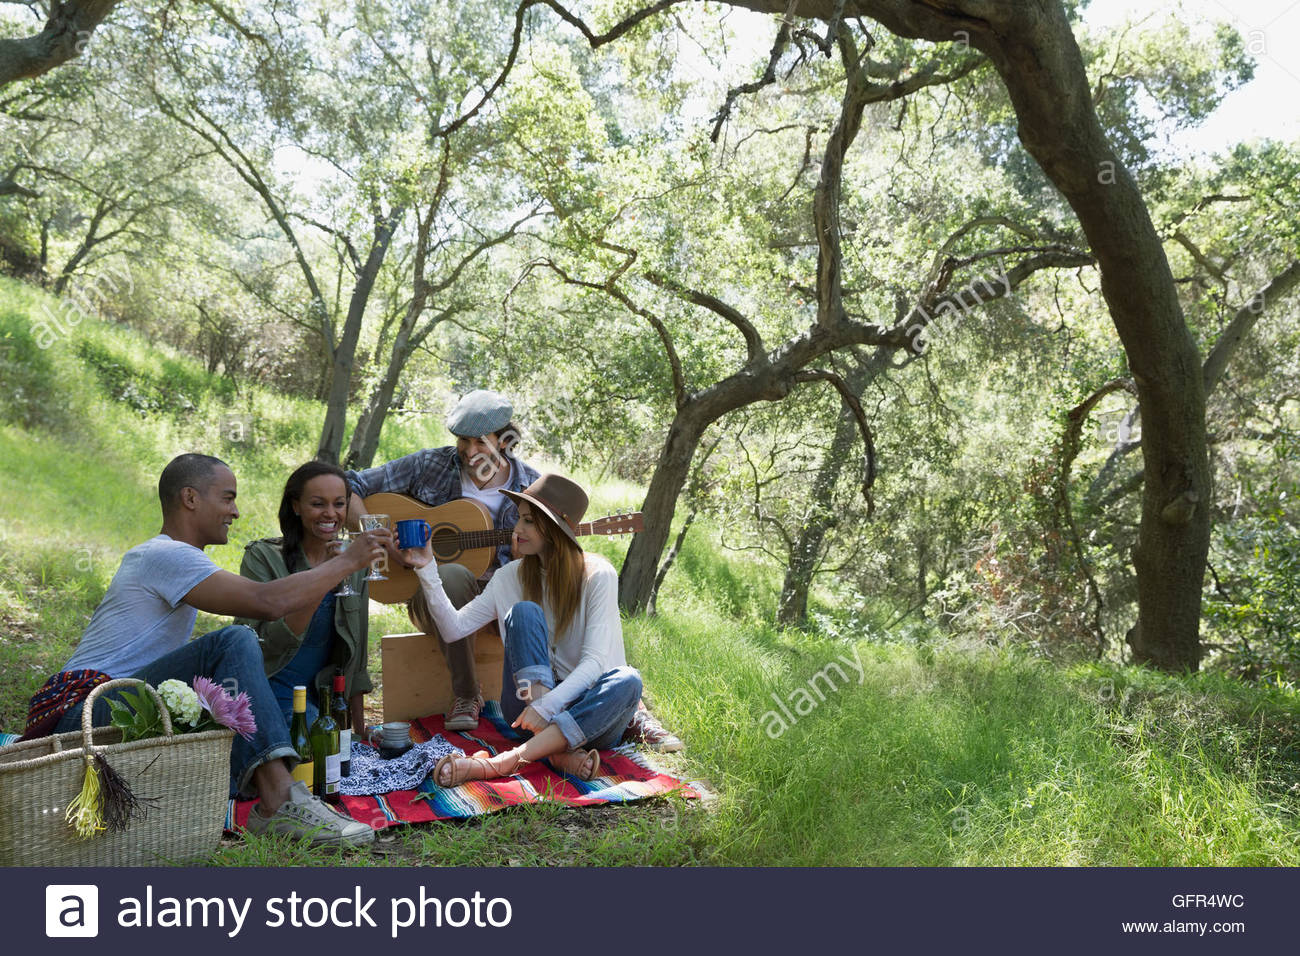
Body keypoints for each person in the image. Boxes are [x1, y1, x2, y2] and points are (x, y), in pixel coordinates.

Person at [23, 453, 388, 847]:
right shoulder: (166, 555)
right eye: (227, 498)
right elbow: (268, 603)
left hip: (123, 707)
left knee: (222, 661)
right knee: (233, 641)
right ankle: (280, 802)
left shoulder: (178, 559)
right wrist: (347, 561)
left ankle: (272, 794)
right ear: (191, 498)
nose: (235, 511)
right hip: (85, 717)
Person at [402, 473, 642, 786]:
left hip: (590, 717)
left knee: (628, 680)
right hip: (527, 709)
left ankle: (503, 763)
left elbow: (595, 663)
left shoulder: (598, 575)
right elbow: (453, 629)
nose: (517, 530)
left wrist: (548, 707)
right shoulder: (509, 576)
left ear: (554, 528)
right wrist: (426, 567)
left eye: (528, 521)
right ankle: (555, 752)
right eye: (519, 519)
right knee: (524, 612)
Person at [344, 388, 540, 732]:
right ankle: (467, 694)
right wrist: (378, 538)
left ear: (505, 440)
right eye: (462, 440)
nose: (468, 451)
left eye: (480, 441)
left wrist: (529, 554)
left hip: (502, 604)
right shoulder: (429, 465)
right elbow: (349, 485)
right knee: (451, 575)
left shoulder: (531, 486)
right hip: (434, 597)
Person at [237, 461, 369, 737]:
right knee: (317, 752)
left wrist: (359, 731)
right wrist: (327, 575)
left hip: (324, 703)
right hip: (269, 689)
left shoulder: (354, 566)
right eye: (318, 504)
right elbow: (264, 646)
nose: (330, 514)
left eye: (339, 504)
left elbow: (355, 661)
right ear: (296, 506)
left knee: (350, 759)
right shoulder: (263, 557)